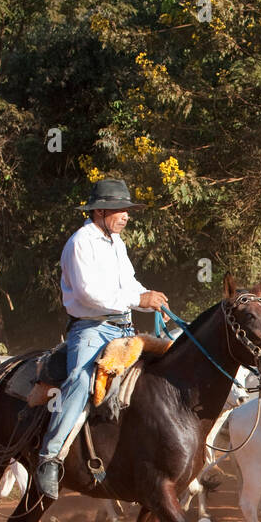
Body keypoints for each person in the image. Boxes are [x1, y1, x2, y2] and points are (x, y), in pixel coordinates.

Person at [36, 178, 169, 499]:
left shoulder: (116, 243)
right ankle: (49, 458)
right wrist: (139, 300)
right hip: (91, 329)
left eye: (127, 210)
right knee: (81, 382)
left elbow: (130, 281)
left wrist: (152, 298)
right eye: (119, 210)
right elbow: (89, 293)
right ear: (99, 211)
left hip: (124, 328)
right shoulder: (80, 243)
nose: (125, 215)